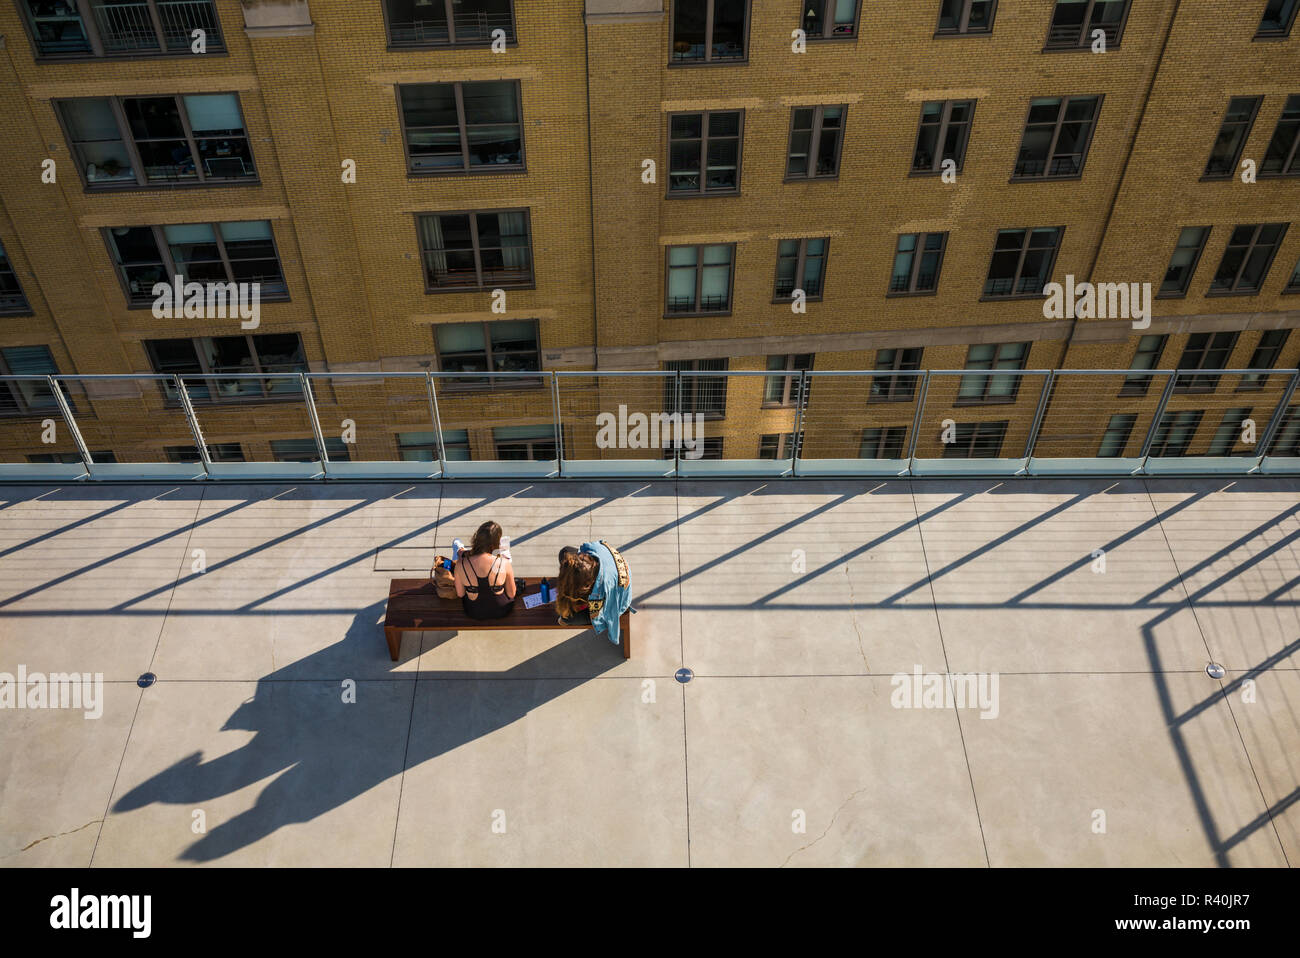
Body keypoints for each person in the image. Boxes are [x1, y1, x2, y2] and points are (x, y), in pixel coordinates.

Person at [555, 541, 632, 645]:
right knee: (565, 552)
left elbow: (597, 615)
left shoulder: (600, 592)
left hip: (616, 599)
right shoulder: (592, 550)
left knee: (567, 617)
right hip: (614, 568)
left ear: (587, 585)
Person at [453, 521, 517, 620]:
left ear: (477, 538)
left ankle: (459, 549)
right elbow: (511, 594)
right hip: (502, 610)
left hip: (473, 611)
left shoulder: (460, 564)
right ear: (497, 543)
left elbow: (460, 594)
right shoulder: (504, 563)